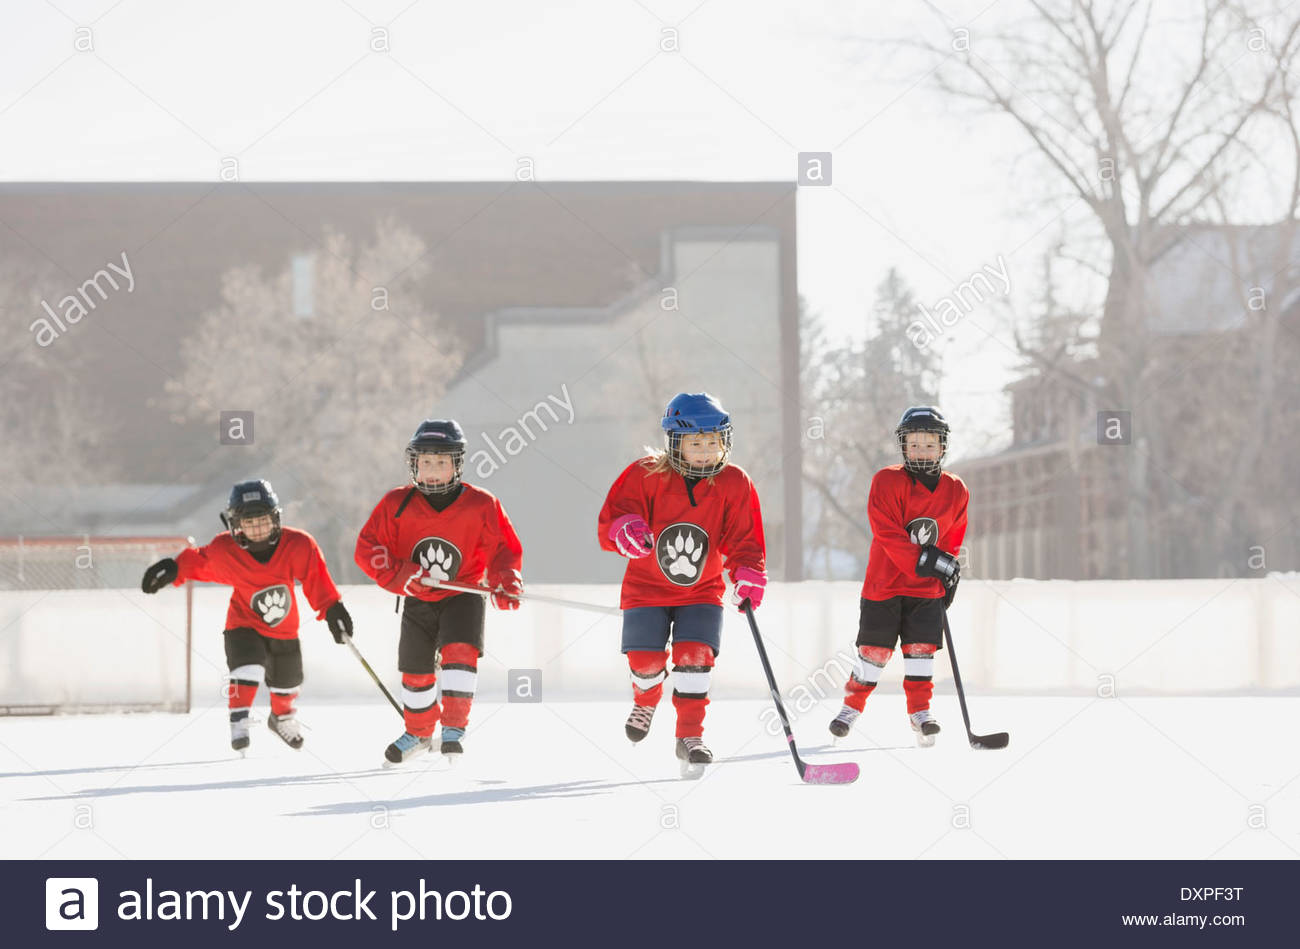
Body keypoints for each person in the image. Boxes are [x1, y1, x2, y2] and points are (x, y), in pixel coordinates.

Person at [597, 392, 767, 778]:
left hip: (701, 592)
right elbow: (615, 517)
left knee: (695, 659)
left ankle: (690, 735)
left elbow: (745, 540)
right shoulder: (645, 474)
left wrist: (749, 573)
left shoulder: (734, 482)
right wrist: (626, 529)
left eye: (714, 442)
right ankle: (647, 693)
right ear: (675, 443)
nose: (707, 451)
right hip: (647, 589)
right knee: (645, 662)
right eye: (696, 443)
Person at [355, 419, 523, 766]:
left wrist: (506, 580)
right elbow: (367, 548)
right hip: (418, 597)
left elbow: (504, 549)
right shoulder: (395, 504)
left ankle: (453, 728)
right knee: (415, 670)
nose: (432, 470)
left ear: (457, 465)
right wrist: (401, 574)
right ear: (413, 464)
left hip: (463, 592)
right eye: (425, 462)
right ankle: (418, 732)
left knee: (458, 651)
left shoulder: (482, 504)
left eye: (441, 462)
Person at [141, 479, 353, 753]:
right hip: (243, 624)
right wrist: (172, 568)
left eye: (263, 520)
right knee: (248, 668)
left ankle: (282, 718)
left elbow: (317, 580)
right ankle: (239, 718)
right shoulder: (225, 550)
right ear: (235, 525)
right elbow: (199, 561)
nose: (257, 529)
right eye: (249, 523)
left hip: (284, 629)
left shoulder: (298, 545)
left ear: (275, 518)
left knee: (287, 684)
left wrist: (333, 608)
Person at [828, 406, 967, 747]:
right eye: (915, 444)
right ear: (904, 446)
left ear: (943, 447)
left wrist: (947, 569)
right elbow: (888, 534)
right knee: (873, 653)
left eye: (929, 445)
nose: (922, 451)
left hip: (925, 591)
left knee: (921, 651)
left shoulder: (956, 489)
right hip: (885, 585)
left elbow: (953, 536)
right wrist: (929, 560)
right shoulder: (886, 481)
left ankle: (920, 712)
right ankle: (851, 707)